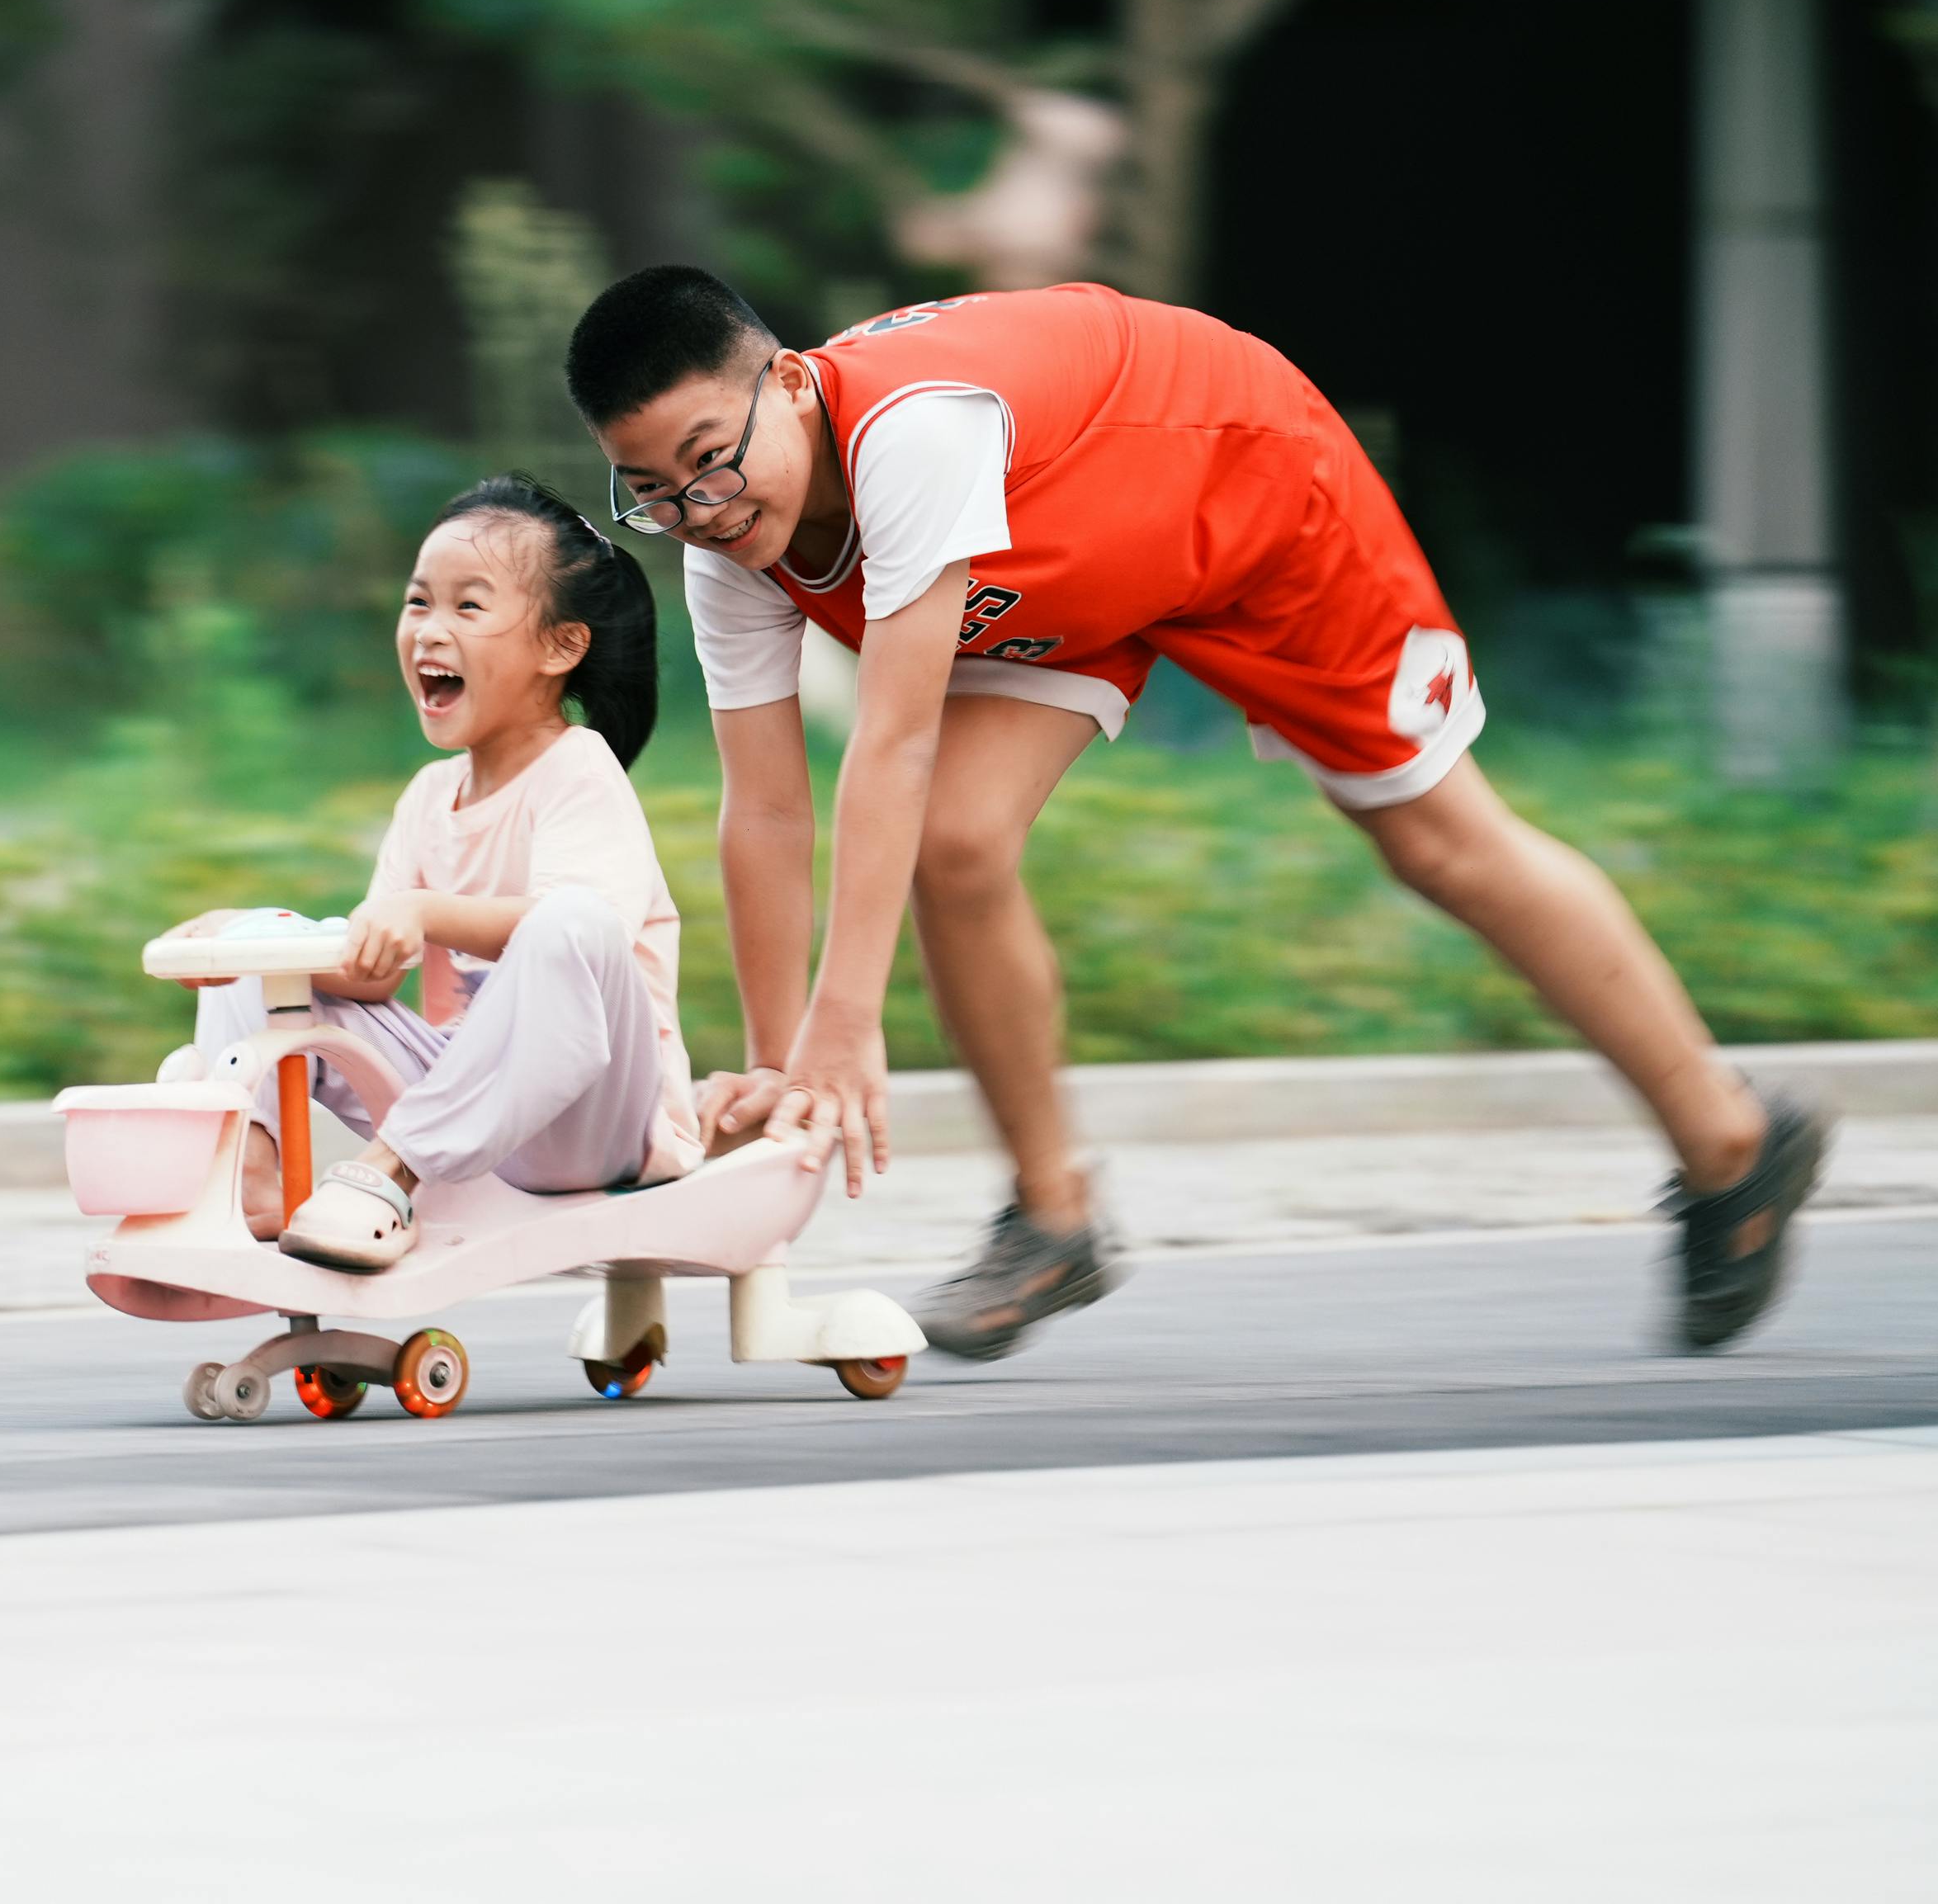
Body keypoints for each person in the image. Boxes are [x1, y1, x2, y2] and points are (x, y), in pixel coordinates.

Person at [565, 267, 1832, 1354]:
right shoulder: (726, 550)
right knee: (958, 845)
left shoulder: (918, 437)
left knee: (1437, 840)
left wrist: (850, 1028)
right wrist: (791, 1062)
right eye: (653, 490)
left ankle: (1731, 1144)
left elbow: (887, 746)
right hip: (1056, 555)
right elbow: (768, 813)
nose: (704, 510)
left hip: (1243, 485)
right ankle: (1056, 1218)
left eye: (712, 461)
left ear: (788, 384)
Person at [155, 475, 705, 1272]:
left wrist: (426, 909)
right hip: (471, 1105)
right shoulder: (427, 798)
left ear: (561, 646)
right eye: (419, 604)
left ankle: (390, 1172)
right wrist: (252, 942)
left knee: (570, 921)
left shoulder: (579, 770)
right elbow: (374, 976)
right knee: (268, 943)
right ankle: (253, 1172)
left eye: (468, 607)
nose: (429, 632)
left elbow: (590, 937)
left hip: (596, 1121)